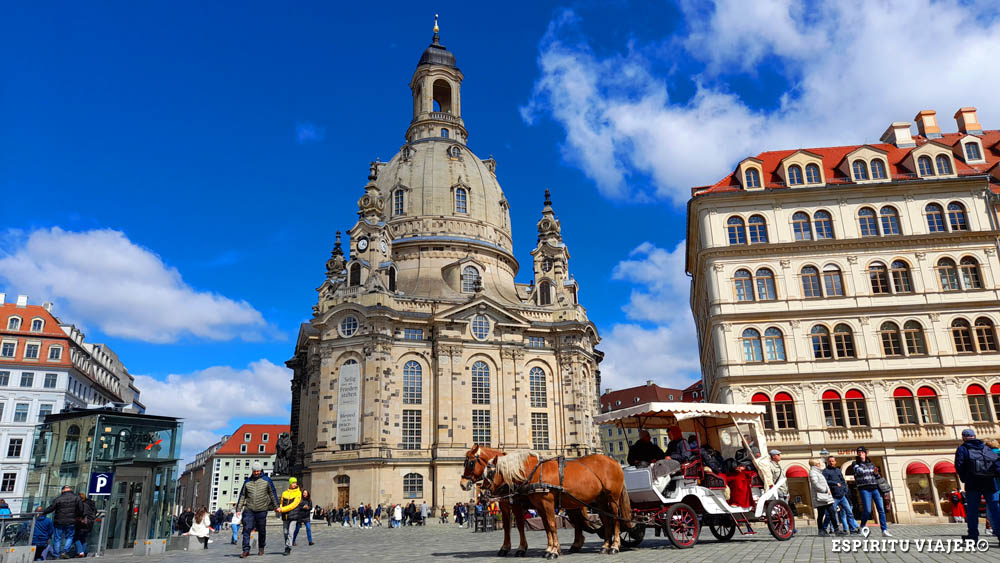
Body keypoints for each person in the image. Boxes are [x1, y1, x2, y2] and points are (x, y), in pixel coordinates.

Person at [955, 428, 1000, 543]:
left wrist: (965, 479)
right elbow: (996, 464)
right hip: (990, 483)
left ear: (963, 438)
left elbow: (959, 465)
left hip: (973, 483)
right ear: (975, 436)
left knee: (972, 510)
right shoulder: (985, 447)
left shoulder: (962, 448)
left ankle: (973, 536)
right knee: (995, 509)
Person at [236, 461, 279, 558]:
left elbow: (272, 494)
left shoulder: (267, 480)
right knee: (246, 529)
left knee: (261, 530)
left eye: (258, 471)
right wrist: (238, 509)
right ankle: (245, 550)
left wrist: (276, 506)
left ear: (261, 471)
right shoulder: (247, 482)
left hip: (262, 509)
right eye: (254, 471)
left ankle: (261, 547)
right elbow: (242, 495)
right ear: (252, 471)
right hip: (249, 509)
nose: (256, 473)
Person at [853, 446, 891, 537]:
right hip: (864, 489)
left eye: (862, 452)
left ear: (865, 453)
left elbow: (877, 476)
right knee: (867, 510)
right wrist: (869, 470)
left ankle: (884, 530)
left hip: (875, 488)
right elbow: (860, 472)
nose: (861, 454)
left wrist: (876, 474)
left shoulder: (871, 464)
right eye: (859, 452)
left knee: (881, 509)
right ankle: (862, 526)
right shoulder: (855, 463)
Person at [42, 485, 83, 559]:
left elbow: (51, 508)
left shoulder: (58, 498)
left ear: (63, 490)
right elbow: (81, 509)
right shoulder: (77, 498)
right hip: (71, 521)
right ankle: (65, 552)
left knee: (57, 538)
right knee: (69, 537)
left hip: (59, 521)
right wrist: (77, 516)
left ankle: (56, 555)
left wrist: (43, 512)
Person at [823, 456, 858, 535]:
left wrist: (844, 490)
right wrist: (835, 483)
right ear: (828, 462)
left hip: (842, 496)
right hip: (833, 496)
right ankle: (823, 529)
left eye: (833, 461)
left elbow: (842, 481)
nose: (831, 462)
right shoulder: (825, 471)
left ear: (835, 462)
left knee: (849, 512)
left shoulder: (838, 470)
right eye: (830, 461)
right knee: (830, 514)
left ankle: (852, 529)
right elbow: (825, 482)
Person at [768, 449, 797, 535]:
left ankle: (788, 528)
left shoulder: (779, 465)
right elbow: (770, 480)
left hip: (784, 491)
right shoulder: (770, 466)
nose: (780, 456)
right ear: (774, 456)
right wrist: (776, 491)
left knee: (785, 512)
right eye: (778, 455)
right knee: (780, 513)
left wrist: (787, 492)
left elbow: (784, 480)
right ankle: (783, 529)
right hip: (778, 491)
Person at [809, 459, 839, 536]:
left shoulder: (818, 472)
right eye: (818, 463)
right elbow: (815, 484)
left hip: (825, 497)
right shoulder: (813, 472)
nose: (820, 465)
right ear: (815, 465)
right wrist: (825, 490)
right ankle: (821, 530)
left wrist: (827, 491)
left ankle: (836, 530)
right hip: (820, 497)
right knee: (821, 514)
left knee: (832, 512)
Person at [277, 477, 303, 556]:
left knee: (291, 532)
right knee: (285, 532)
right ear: (290, 483)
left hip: (293, 515)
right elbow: (281, 503)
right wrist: (280, 508)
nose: (294, 484)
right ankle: (287, 545)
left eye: (295, 483)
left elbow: (293, 505)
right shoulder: (284, 493)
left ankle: (288, 548)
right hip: (285, 516)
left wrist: (282, 509)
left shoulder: (298, 493)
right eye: (293, 483)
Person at [74, 492, 97, 556]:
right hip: (90, 523)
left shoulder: (83, 504)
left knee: (76, 538)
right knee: (83, 538)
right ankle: (83, 552)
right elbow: (95, 512)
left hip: (82, 523)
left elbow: (83, 513)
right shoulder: (91, 504)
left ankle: (80, 552)